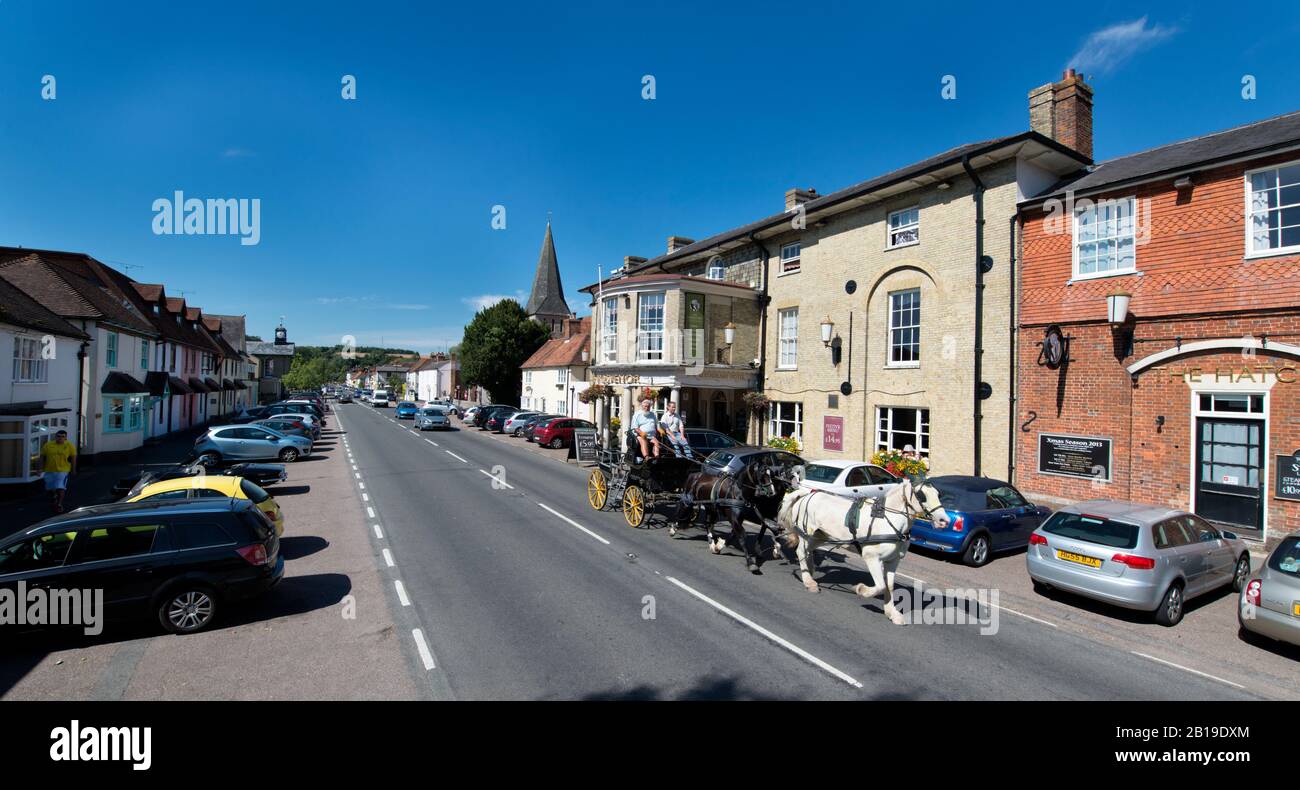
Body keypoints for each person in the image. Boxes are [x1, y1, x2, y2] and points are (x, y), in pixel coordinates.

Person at [39, 430, 77, 514]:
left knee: (61, 487)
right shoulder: (48, 445)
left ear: (66, 438)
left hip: (63, 471)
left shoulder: (69, 446)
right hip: (49, 470)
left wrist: (73, 469)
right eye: (58, 436)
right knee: (49, 488)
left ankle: (59, 504)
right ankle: (54, 496)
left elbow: (74, 457)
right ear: (55, 437)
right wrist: (40, 468)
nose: (60, 438)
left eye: (63, 436)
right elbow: (42, 456)